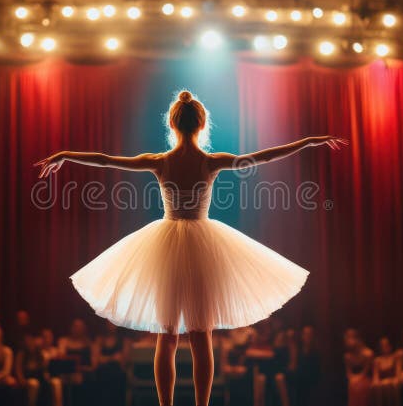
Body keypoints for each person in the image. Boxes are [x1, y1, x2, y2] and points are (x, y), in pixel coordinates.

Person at [34, 90, 347, 406]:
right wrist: (307, 141)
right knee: (202, 337)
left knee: (166, 337)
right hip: (202, 244)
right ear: (202, 124)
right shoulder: (210, 161)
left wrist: (66, 154)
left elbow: (105, 161)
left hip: (166, 245)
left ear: (172, 123)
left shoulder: (160, 162)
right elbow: (263, 156)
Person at [93, 321, 128, 406]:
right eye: (109, 322)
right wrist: (113, 358)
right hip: (102, 375)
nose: (111, 324)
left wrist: (104, 358)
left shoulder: (124, 340)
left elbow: (124, 361)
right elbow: (95, 360)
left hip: (118, 375)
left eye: (113, 321)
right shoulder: (99, 339)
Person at [15, 334, 47, 406]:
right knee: (33, 383)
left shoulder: (39, 354)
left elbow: (43, 370)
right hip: (27, 380)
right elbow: (18, 370)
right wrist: (21, 380)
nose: (29, 342)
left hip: (40, 380)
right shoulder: (21, 354)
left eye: (31, 340)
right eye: (27, 341)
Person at [344, 329, 373, 406]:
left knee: (361, 387)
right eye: (347, 338)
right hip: (354, 381)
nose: (348, 341)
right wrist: (352, 379)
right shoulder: (347, 356)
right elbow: (348, 373)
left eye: (351, 338)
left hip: (365, 379)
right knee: (352, 386)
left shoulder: (368, 354)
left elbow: (366, 371)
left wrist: (358, 379)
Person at [294, 326, 321, 406]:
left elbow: (317, 374)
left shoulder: (315, 353)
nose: (307, 336)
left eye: (310, 334)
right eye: (305, 334)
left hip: (311, 386)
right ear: (302, 336)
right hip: (299, 385)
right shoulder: (298, 351)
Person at [370, 337, 399, 406]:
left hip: (393, 383)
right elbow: (375, 377)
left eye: (386, 345)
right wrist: (378, 382)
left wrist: (391, 381)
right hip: (382, 385)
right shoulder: (377, 360)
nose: (385, 347)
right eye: (382, 346)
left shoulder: (395, 358)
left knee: (389, 386)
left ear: (390, 346)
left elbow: (398, 374)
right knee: (377, 387)